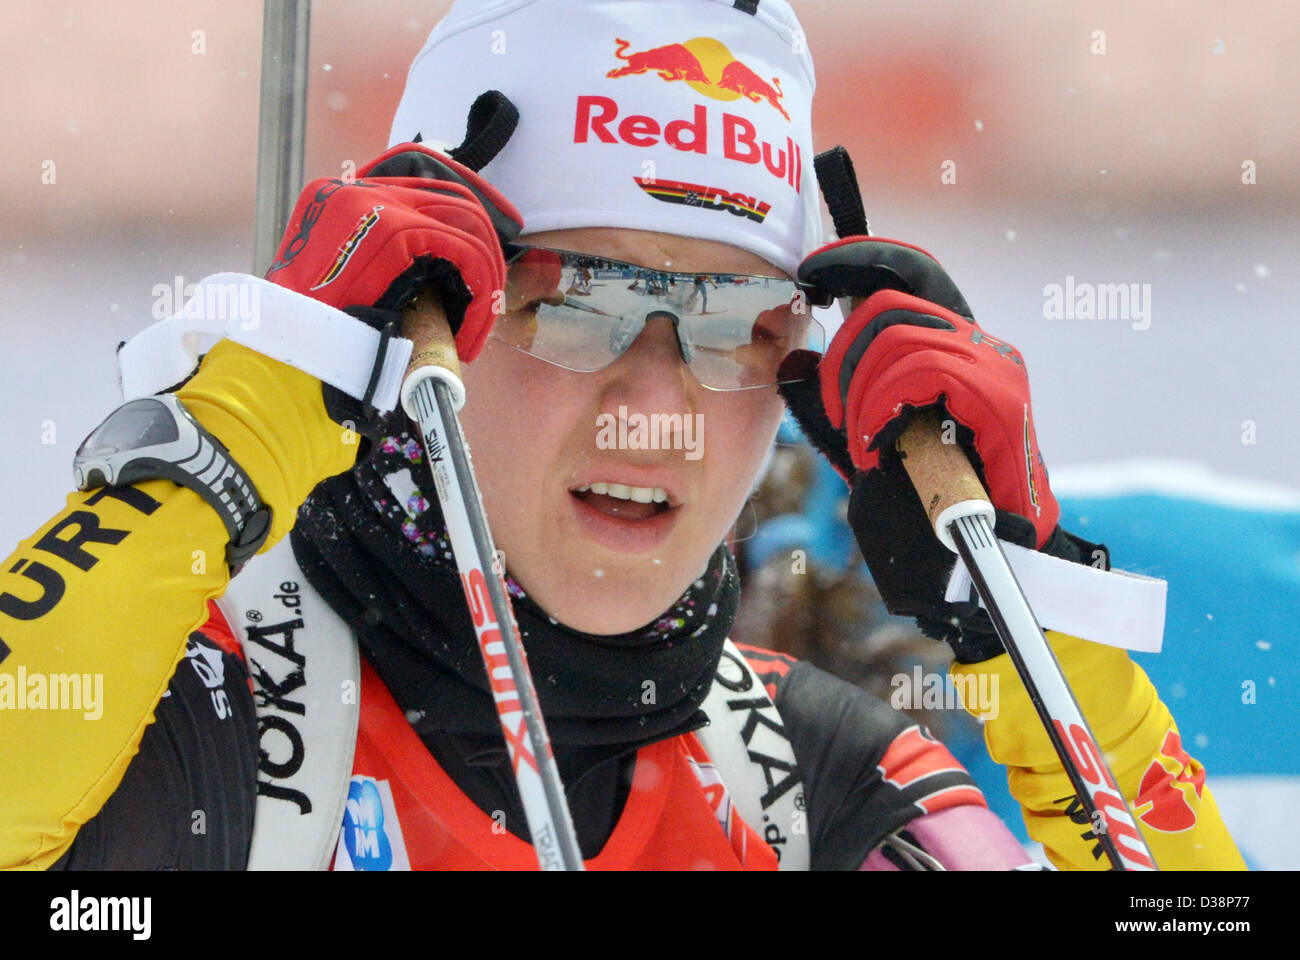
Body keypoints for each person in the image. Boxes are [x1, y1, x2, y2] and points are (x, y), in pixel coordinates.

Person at [0, 0, 1245, 871]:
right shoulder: (210, 708)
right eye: (577, 305)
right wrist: (242, 426)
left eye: (735, 326)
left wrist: (1027, 627)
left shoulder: (807, 787)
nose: (655, 407)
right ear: (430, 316)